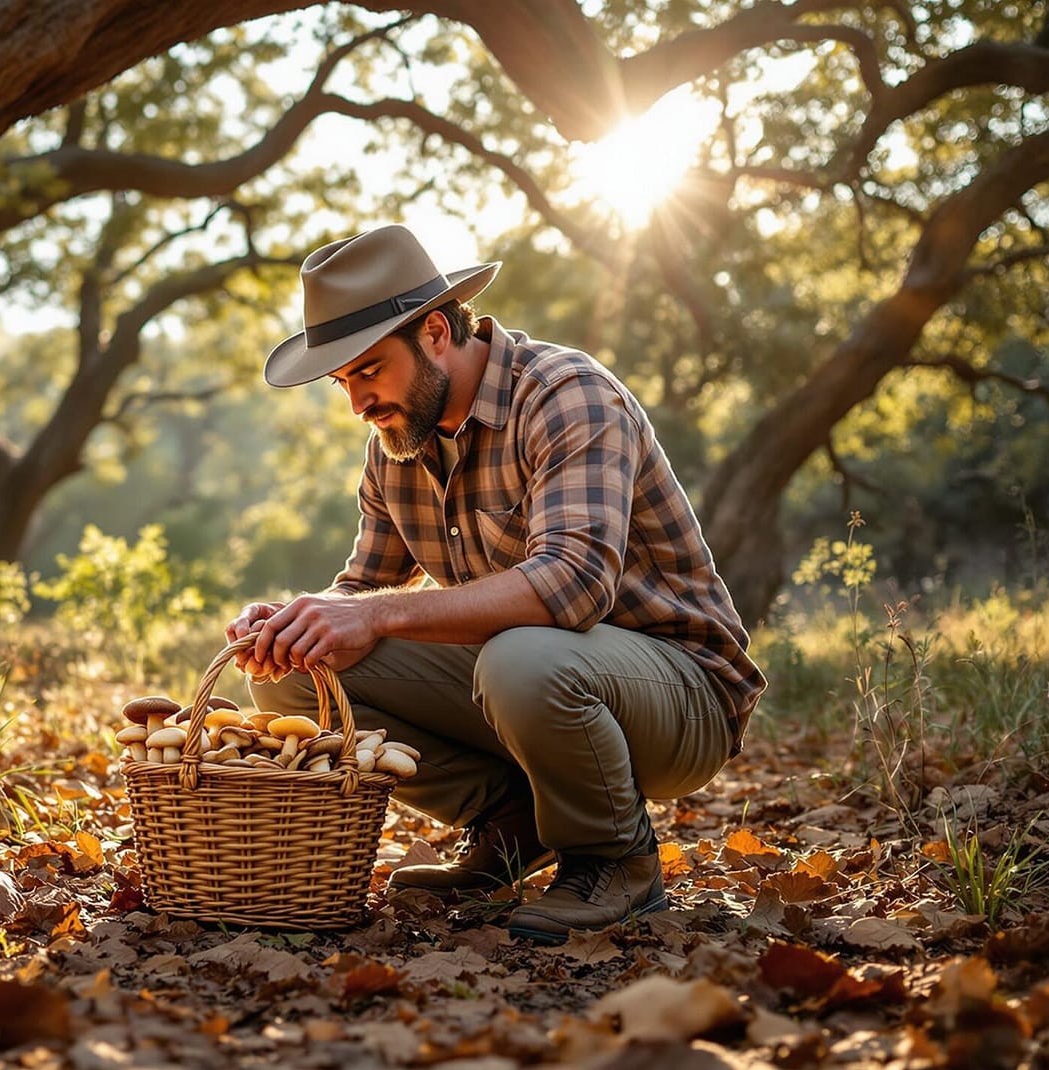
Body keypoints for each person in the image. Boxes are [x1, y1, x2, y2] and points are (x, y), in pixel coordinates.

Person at [229, 224, 765, 943]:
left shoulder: (564, 393)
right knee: (299, 668)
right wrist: (298, 617)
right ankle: (513, 820)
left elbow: (572, 587)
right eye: (343, 382)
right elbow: (361, 589)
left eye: (368, 370)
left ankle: (615, 861)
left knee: (521, 657)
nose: (357, 402)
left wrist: (377, 616)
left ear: (435, 330)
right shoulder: (397, 442)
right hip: (540, 676)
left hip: (680, 693)